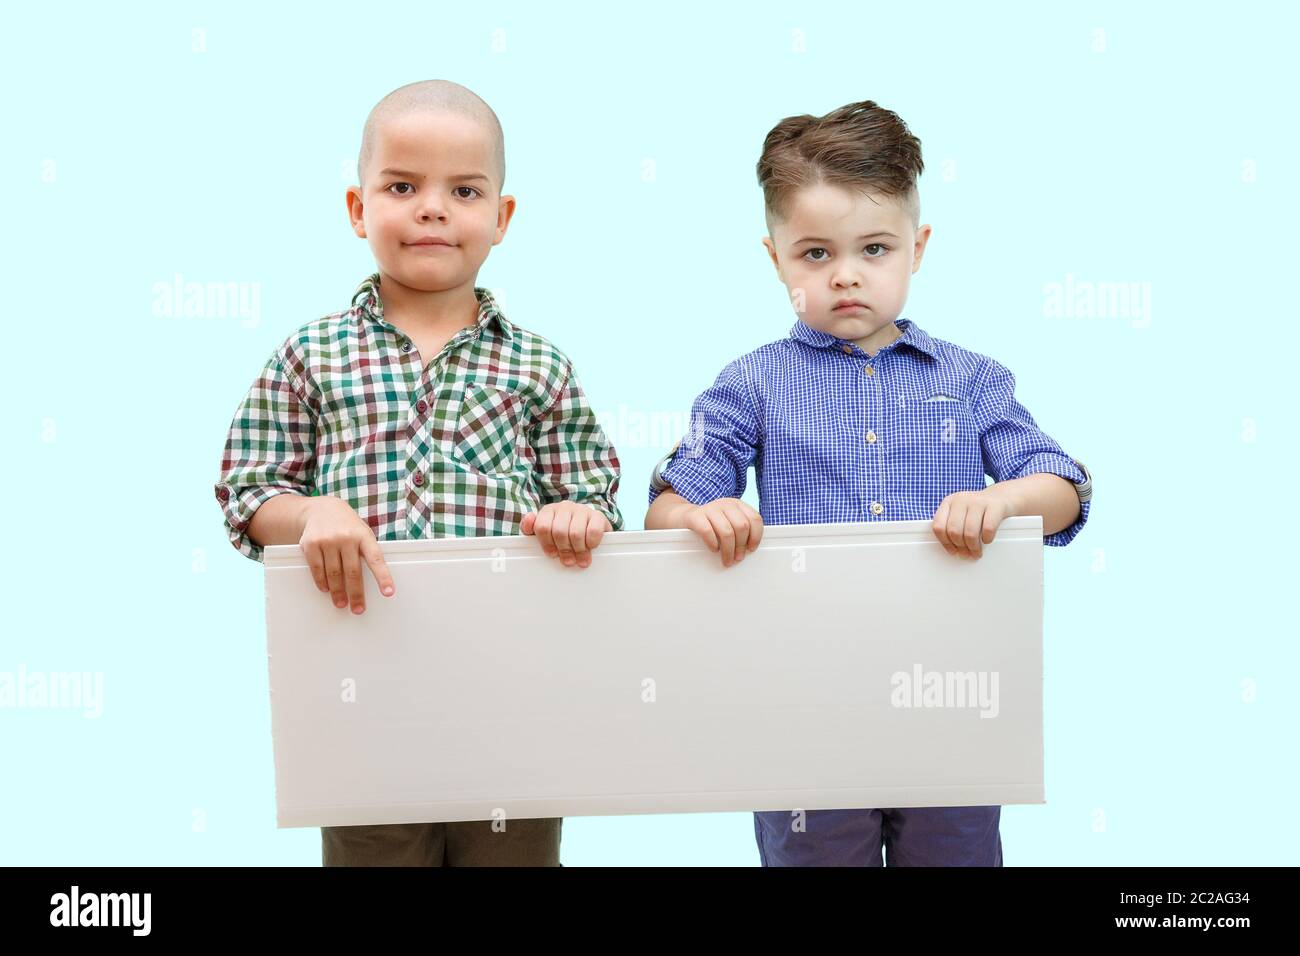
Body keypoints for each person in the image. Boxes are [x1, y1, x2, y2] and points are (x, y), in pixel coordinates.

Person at [644, 99, 1093, 866]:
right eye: (814, 254)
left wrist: (1003, 498)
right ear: (775, 257)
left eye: (875, 249)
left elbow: (1064, 490)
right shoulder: (750, 383)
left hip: (953, 699)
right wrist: (702, 516)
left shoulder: (974, 379)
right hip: (806, 702)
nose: (846, 275)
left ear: (917, 249)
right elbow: (666, 509)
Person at [214, 79, 623, 866]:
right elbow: (246, 491)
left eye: (463, 190)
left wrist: (580, 516)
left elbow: (593, 490)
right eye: (402, 187)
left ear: (500, 218)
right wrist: (310, 514)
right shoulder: (313, 354)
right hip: (360, 700)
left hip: (512, 702)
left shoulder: (538, 363)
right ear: (358, 208)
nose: (432, 208)